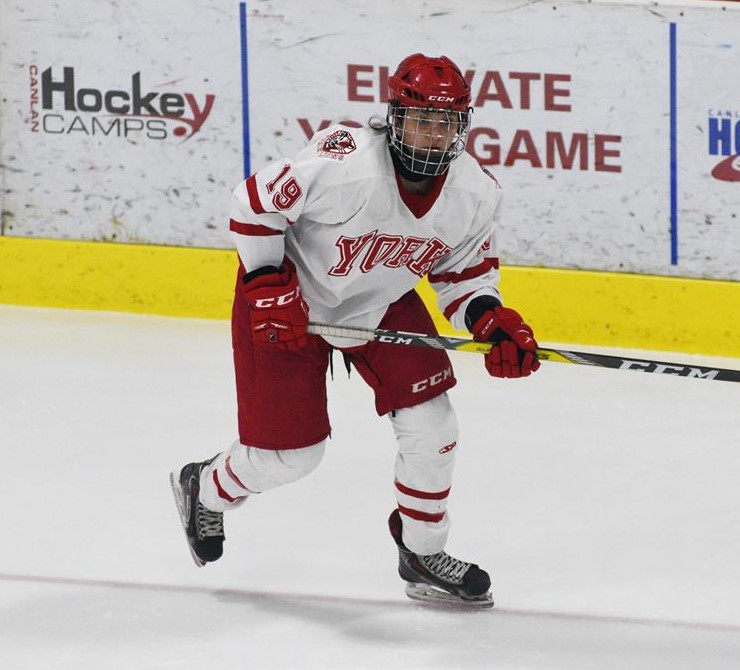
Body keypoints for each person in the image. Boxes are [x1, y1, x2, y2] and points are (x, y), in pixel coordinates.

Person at [170, 53, 540, 607]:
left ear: (461, 126)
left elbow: (464, 276)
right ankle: (206, 486)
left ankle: (420, 551)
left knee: (434, 425)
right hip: (287, 302)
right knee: (291, 457)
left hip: (379, 301)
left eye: (445, 123)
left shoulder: (475, 192)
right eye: (420, 121)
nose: (432, 136)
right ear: (394, 117)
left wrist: (489, 319)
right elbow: (252, 206)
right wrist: (269, 281)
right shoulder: (344, 161)